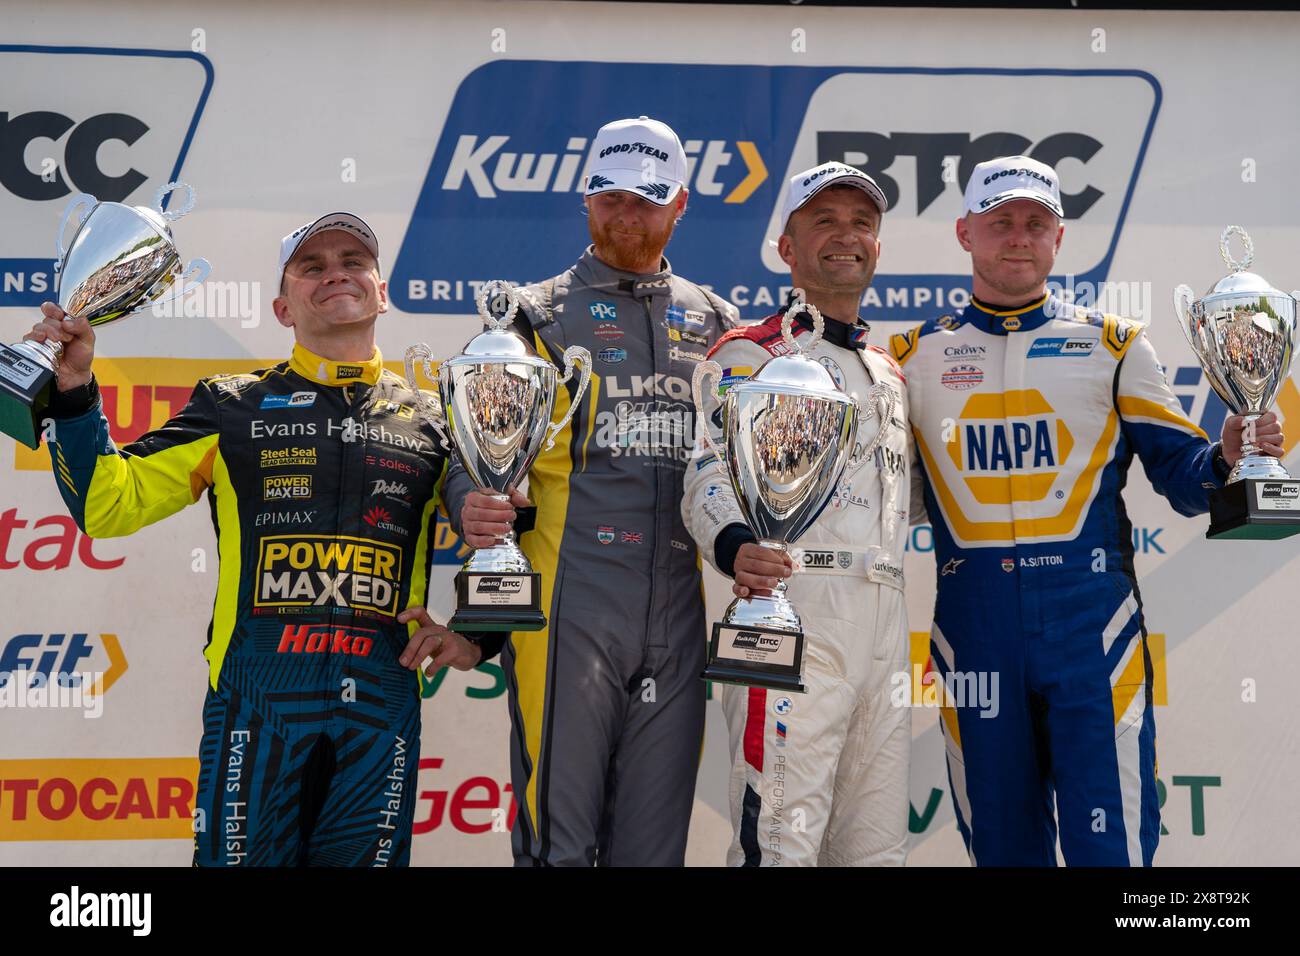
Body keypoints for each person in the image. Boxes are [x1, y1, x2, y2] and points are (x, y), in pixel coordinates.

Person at [25, 212, 482, 867]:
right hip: (255, 705)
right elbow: (109, 507)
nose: (335, 274)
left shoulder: (437, 419)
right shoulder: (230, 405)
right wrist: (73, 396)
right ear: (283, 307)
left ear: (382, 292)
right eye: (313, 267)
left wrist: (474, 633)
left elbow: (504, 529)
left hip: (379, 709)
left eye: (353, 261)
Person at [888, 156, 1284, 866]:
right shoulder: (913, 356)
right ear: (964, 232)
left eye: (1035, 223)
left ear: (1059, 238)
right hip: (974, 630)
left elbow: (1185, 478)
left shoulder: (1116, 345)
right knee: (1003, 850)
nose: (1018, 236)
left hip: (1091, 625)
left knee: (1113, 850)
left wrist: (1227, 454)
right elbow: (882, 494)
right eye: (1000, 221)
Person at [445, 116, 737, 866]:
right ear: (586, 198)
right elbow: (462, 455)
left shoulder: (719, 324)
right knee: (560, 844)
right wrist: (465, 507)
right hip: (570, 604)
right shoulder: (531, 314)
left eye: (645, 197)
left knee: (653, 852)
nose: (625, 213)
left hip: (677, 610)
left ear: (680, 202)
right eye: (609, 195)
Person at [682, 162, 914, 866]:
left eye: (862, 224)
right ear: (786, 248)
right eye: (824, 222)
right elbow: (704, 469)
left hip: (886, 618)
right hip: (792, 608)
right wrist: (734, 546)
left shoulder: (888, 371)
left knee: (875, 853)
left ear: (877, 245)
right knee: (779, 843)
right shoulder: (752, 353)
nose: (847, 237)